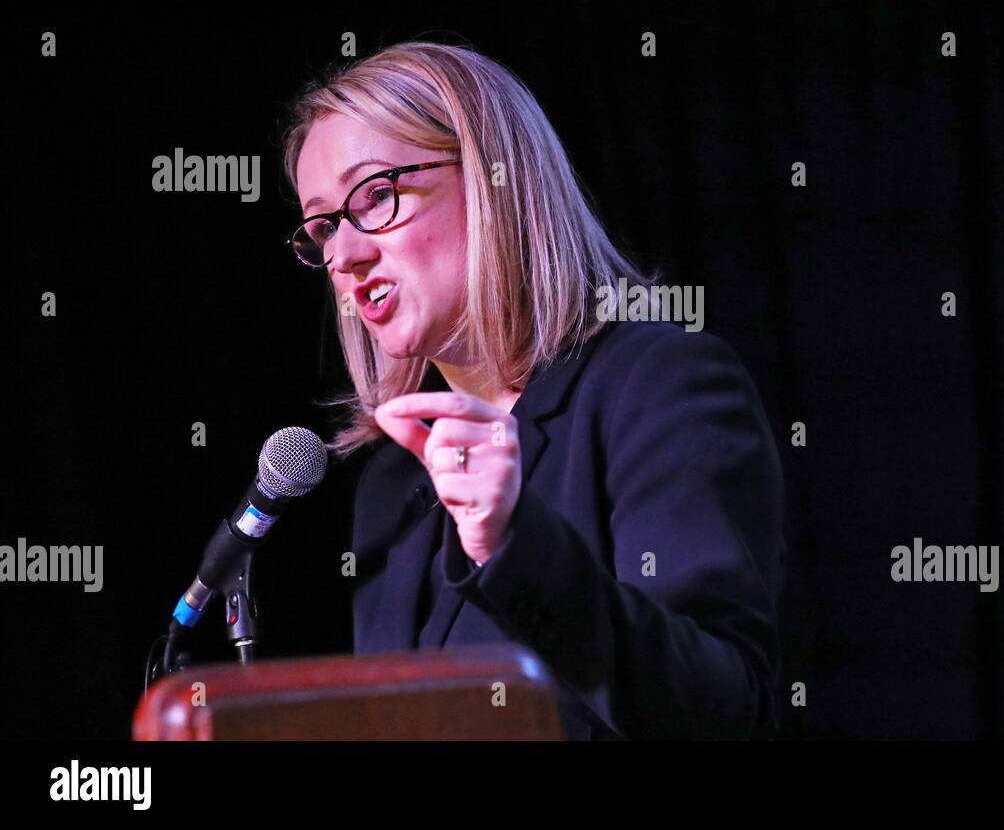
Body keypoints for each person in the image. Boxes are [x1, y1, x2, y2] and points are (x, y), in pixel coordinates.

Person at [280, 41, 786, 739]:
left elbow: (723, 710)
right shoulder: (392, 481)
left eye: (376, 197)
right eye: (322, 227)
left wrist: (515, 544)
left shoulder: (659, 387)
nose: (344, 254)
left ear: (497, 182)